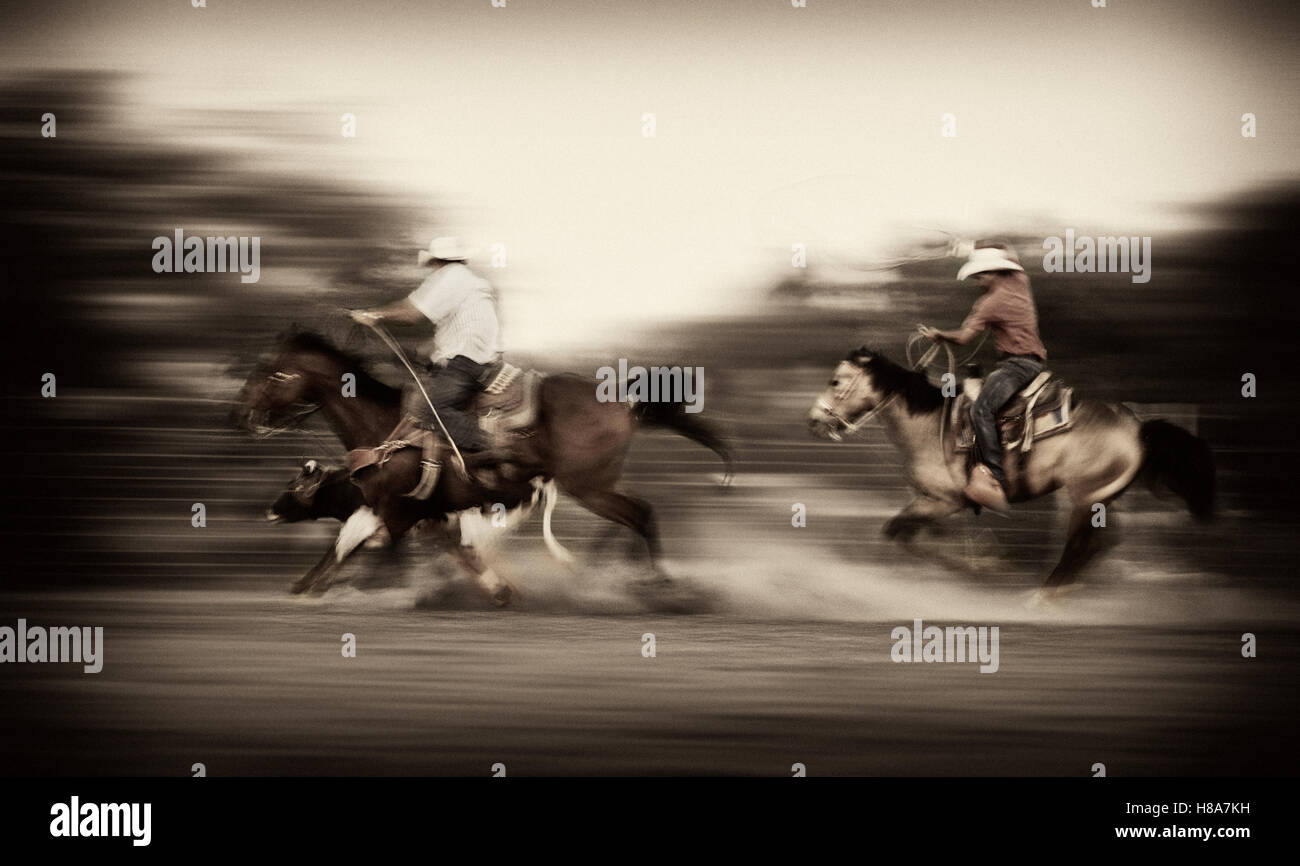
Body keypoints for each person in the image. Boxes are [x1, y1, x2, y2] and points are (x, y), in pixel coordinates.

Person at [350, 236, 502, 478]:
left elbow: (412, 313)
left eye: (432, 263)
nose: (431, 268)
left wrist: (374, 315)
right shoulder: (473, 282)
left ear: (437, 261)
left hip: (466, 360)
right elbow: (453, 328)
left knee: (428, 410)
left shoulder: (449, 277)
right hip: (482, 358)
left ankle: (492, 444)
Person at [919, 242, 1047, 514]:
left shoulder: (990, 303)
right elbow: (1008, 247)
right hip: (1032, 363)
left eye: (980, 275)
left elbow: (965, 338)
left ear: (993, 271)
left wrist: (941, 335)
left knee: (981, 409)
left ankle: (996, 478)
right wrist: (972, 245)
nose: (977, 282)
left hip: (1016, 366)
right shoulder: (1020, 280)